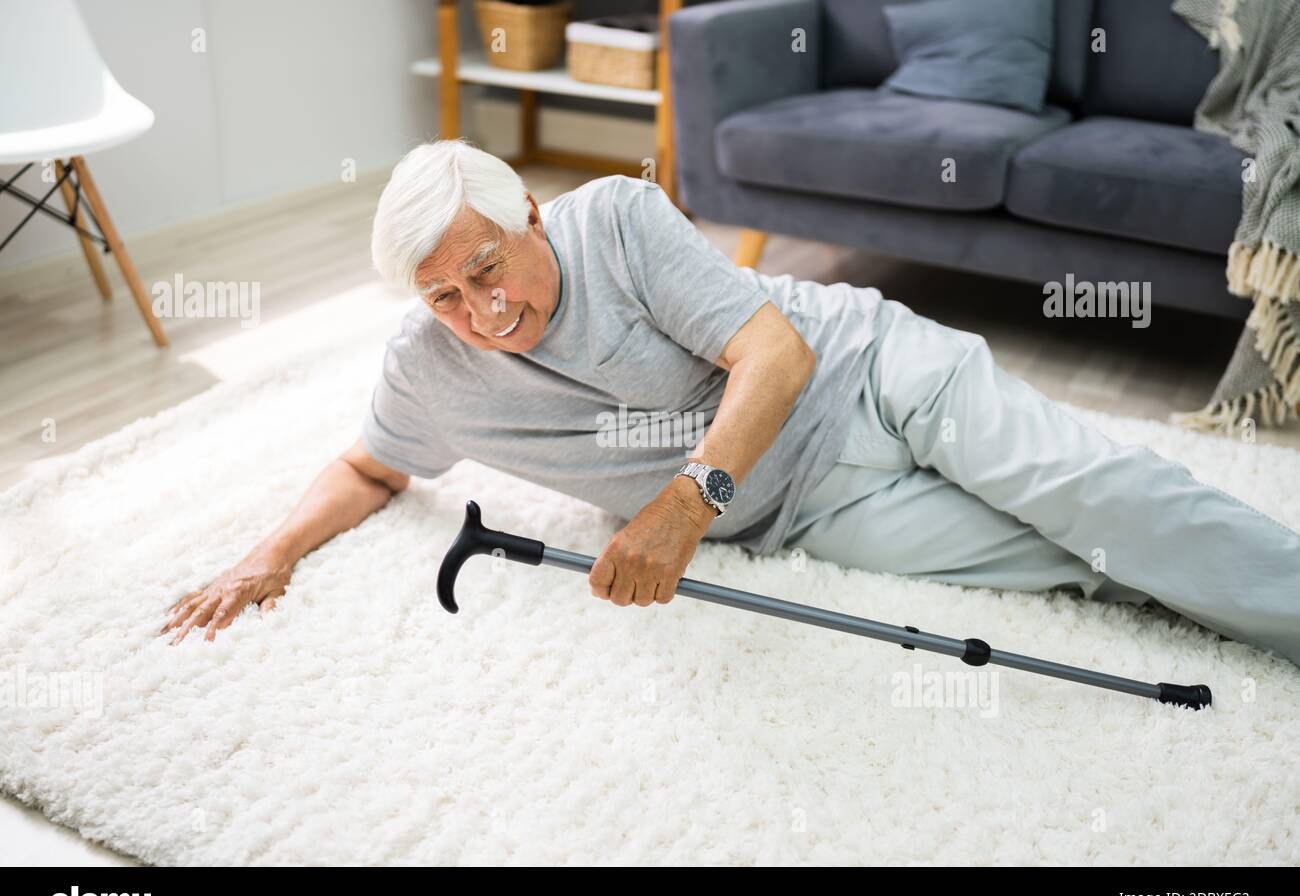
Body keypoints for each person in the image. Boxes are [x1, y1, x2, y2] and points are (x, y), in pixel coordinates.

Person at [160, 139, 1300, 668]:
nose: (481, 309)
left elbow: (775, 354)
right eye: (446, 294)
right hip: (802, 508)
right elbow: (367, 464)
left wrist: (678, 508)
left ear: (533, 218)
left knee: (1094, 494)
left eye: (488, 269)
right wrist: (269, 555)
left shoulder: (616, 216)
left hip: (872, 374)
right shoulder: (427, 364)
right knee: (1074, 561)